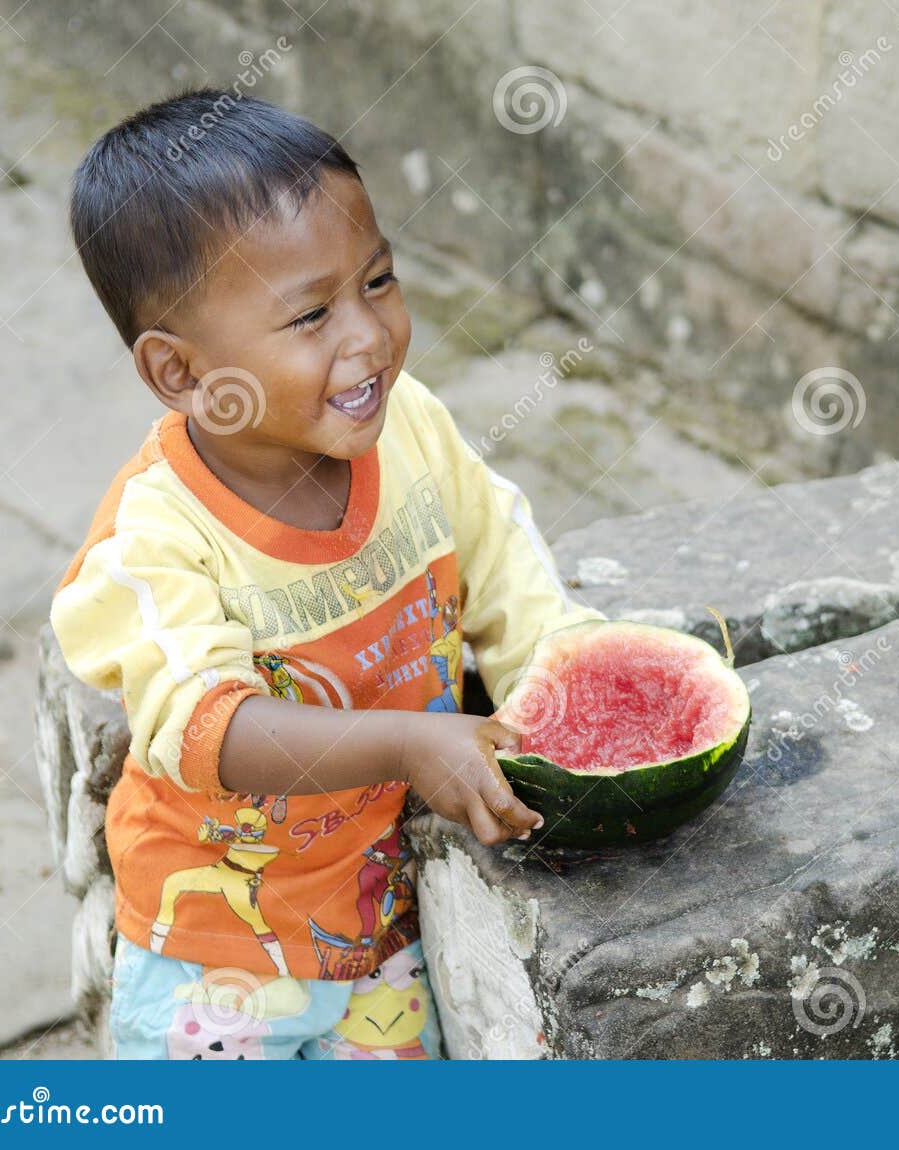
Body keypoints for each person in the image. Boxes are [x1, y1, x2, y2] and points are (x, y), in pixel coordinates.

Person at [51, 89, 599, 1059]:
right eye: (310, 314)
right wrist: (408, 743)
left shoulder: (413, 427)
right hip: (215, 950)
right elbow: (205, 726)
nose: (368, 336)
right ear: (181, 373)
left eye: (378, 281)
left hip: (384, 918)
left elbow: (504, 561)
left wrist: (566, 682)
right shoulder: (153, 539)